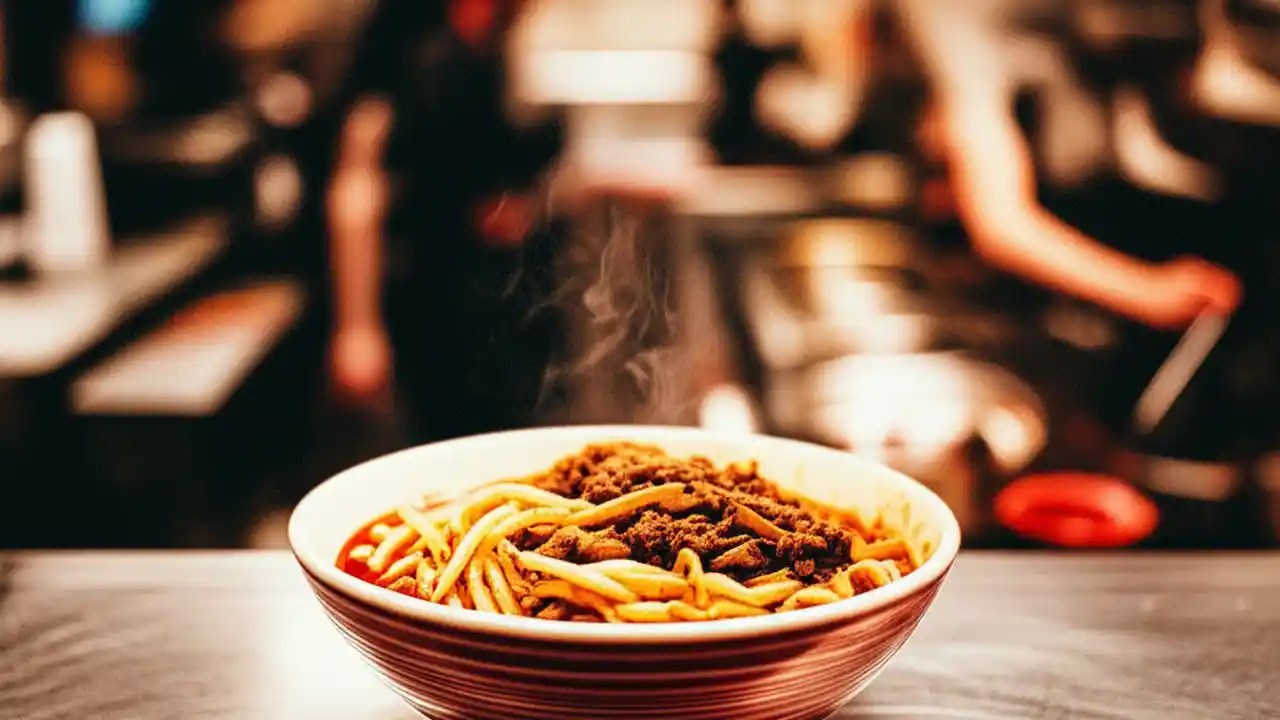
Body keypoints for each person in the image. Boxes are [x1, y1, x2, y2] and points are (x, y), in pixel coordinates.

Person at [326, 0, 562, 441]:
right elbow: (357, 184)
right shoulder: (407, 35)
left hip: (484, 307)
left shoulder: (484, 41)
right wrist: (357, 328)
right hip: (428, 303)